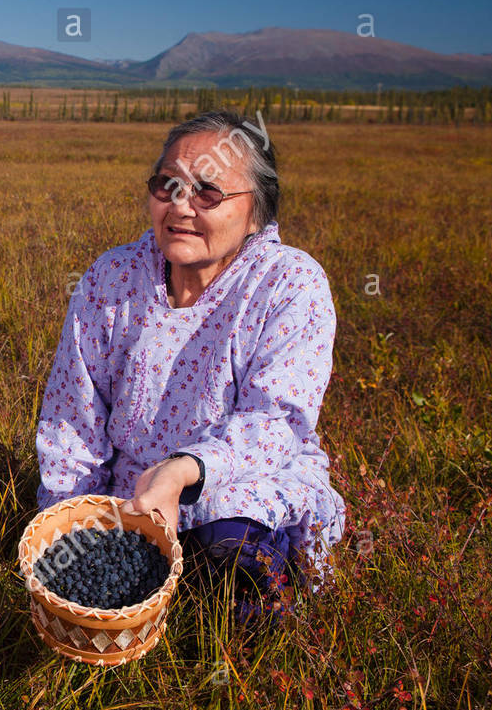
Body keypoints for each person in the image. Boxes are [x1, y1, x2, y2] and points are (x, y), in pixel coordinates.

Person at [35, 110, 345, 623]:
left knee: (233, 546)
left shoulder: (290, 284)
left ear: (256, 215)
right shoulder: (111, 278)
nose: (180, 206)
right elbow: (73, 417)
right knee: (96, 568)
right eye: (168, 185)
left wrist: (184, 471)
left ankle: (247, 633)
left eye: (207, 192)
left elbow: (274, 425)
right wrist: (68, 522)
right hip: (135, 500)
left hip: (239, 482)